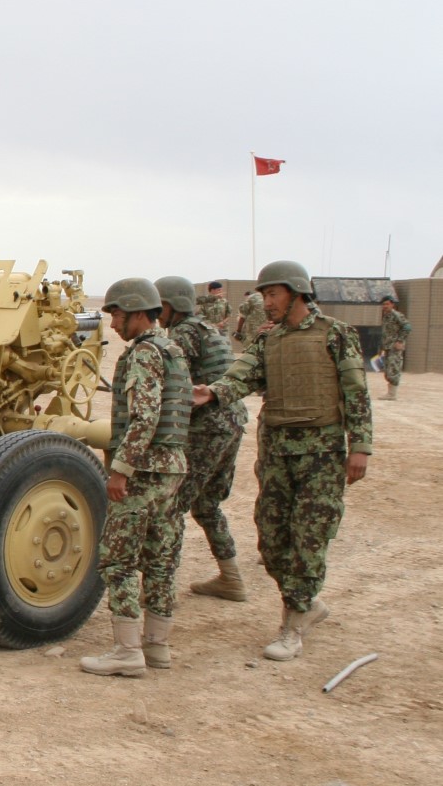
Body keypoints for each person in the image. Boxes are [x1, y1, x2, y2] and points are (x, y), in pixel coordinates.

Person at [194, 260, 372, 662]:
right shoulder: (267, 340)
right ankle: (307, 605)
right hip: (276, 450)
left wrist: (360, 445)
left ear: (296, 292)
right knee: (272, 538)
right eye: (263, 295)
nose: (267, 302)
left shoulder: (336, 334)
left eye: (273, 294)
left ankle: (292, 624)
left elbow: (356, 391)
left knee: (308, 537)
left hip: (321, 453)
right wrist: (212, 392)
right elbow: (243, 374)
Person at [81, 278, 190, 678]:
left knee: (119, 560)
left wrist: (121, 469)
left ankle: (127, 652)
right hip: (171, 469)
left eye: (117, 315)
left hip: (143, 471)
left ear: (139, 313)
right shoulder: (173, 350)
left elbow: (145, 417)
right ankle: (157, 647)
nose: (112, 325)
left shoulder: (145, 353)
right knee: (161, 559)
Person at [156, 276, 250, 605]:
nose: (157, 314)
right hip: (232, 422)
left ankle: (162, 590)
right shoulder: (209, 329)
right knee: (207, 505)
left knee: (172, 506)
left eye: (161, 307)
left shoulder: (183, 333)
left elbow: (172, 383)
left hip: (208, 427)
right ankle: (231, 578)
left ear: (173, 306)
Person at [378, 294, 412, 401]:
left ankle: (392, 394)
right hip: (388, 346)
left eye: (387, 304)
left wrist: (400, 341)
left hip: (394, 347)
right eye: (383, 304)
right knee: (388, 370)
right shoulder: (386, 316)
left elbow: (407, 327)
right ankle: (390, 393)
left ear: (392, 304)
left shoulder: (396, 315)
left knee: (393, 369)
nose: (385, 306)